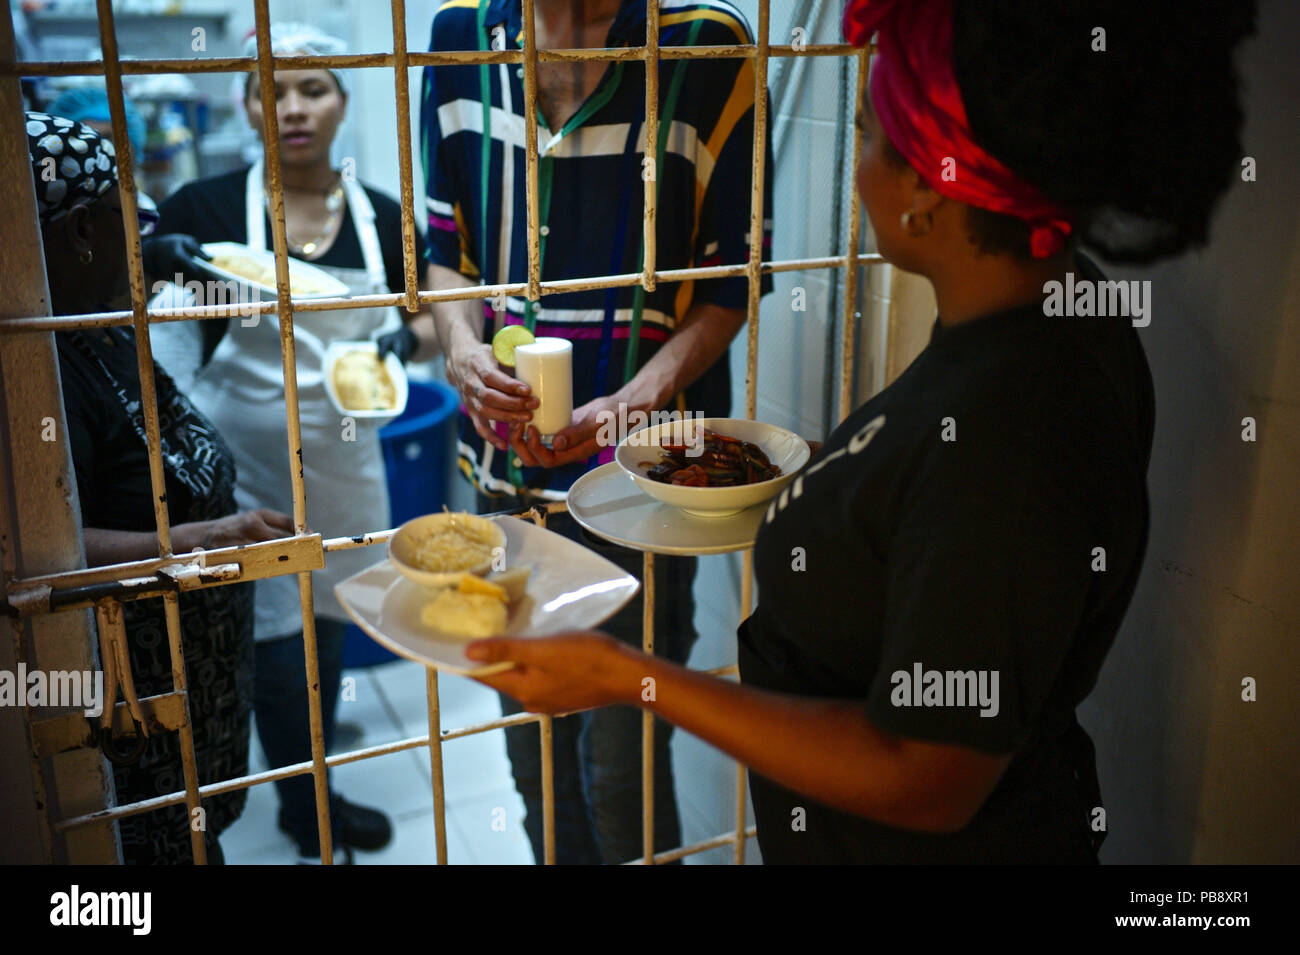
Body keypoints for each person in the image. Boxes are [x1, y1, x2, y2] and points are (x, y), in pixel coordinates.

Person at [460, 0, 1255, 863]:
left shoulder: (1006, 429)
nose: (858, 169)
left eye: (871, 136)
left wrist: (632, 677)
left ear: (928, 185)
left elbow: (927, 773)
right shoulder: (1059, 311)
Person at [420, 0, 774, 864]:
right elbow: (445, 251)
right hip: (507, 481)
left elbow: (736, 276)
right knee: (532, 757)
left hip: (642, 489)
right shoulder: (458, 38)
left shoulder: (706, 49)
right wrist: (462, 350)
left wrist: (639, 397)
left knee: (621, 771)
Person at [148, 23, 439, 863]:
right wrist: (160, 266)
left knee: (334, 619)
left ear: (343, 103)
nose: (292, 108)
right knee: (275, 638)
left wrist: (402, 343)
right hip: (248, 466)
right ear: (245, 105)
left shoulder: (384, 218)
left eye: (312, 89)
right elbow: (162, 324)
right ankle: (305, 804)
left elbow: (425, 319)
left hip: (347, 463)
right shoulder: (206, 208)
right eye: (271, 91)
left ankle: (307, 773)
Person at [26, 112, 295, 864]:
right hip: (134, 687)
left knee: (196, 837)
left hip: (196, 667)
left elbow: (163, 406)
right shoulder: (37, 370)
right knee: (148, 850)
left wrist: (184, 280)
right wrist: (195, 537)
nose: (140, 242)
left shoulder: (99, 324)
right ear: (82, 230)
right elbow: (41, 546)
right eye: (130, 222)